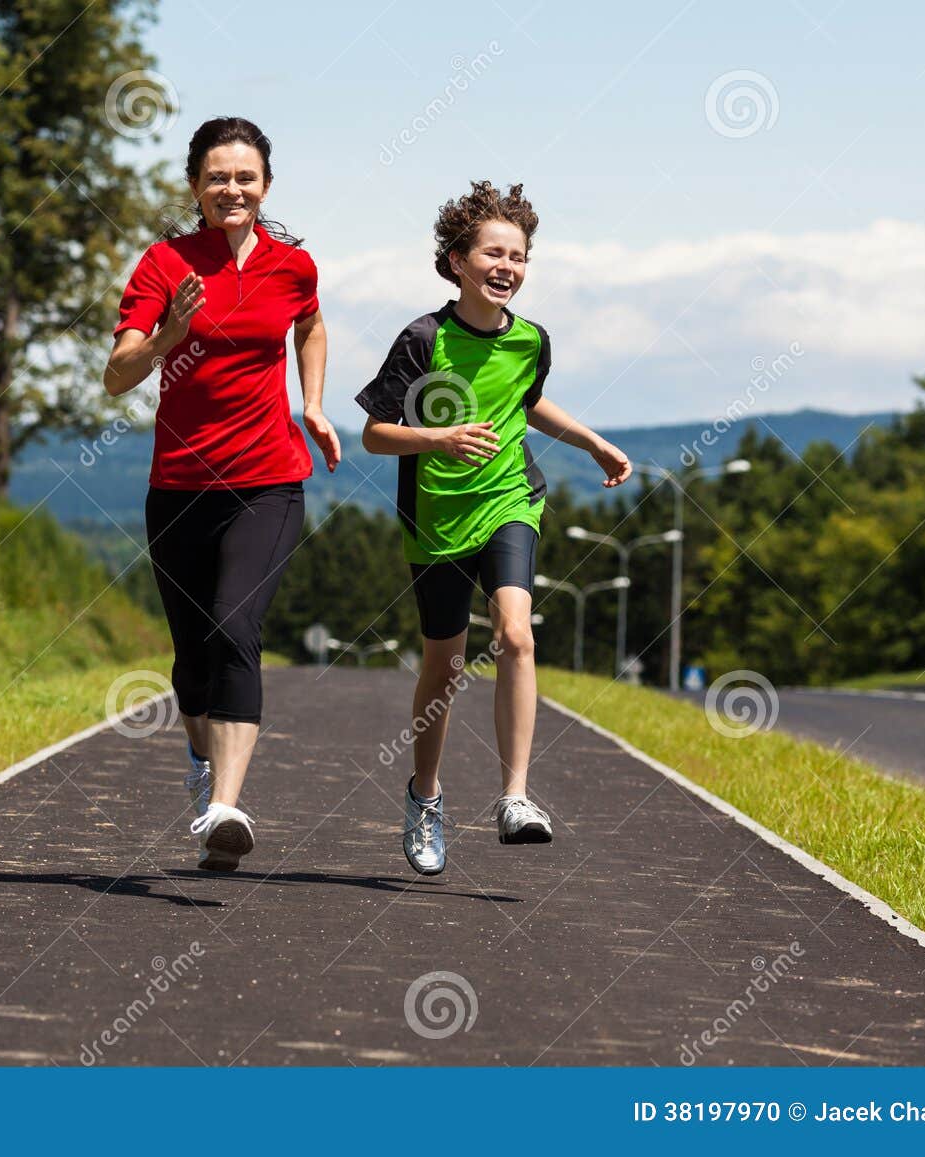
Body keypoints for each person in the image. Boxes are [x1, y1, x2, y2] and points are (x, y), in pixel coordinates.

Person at [355, 180, 631, 875]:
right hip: (438, 517)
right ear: (456, 261)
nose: (507, 267)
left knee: (515, 632)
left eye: (519, 256)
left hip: (510, 498)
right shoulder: (424, 339)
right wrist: (440, 439)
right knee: (444, 668)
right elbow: (375, 435)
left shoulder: (531, 340)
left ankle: (514, 796)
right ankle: (425, 794)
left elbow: (529, 403)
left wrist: (593, 442)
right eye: (492, 253)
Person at [104, 116, 340, 871]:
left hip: (269, 480)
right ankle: (204, 765)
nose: (231, 189)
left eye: (245, 176)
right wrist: (168, 335)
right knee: (192, 659)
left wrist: (314, 402)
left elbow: (310, 326)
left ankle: (225, 805)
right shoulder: (164, 263)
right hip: (178, 485)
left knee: (237, 626)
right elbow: (117, 374)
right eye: (217, 177)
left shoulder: (293, 265)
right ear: (194, 187)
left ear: (265, 185)